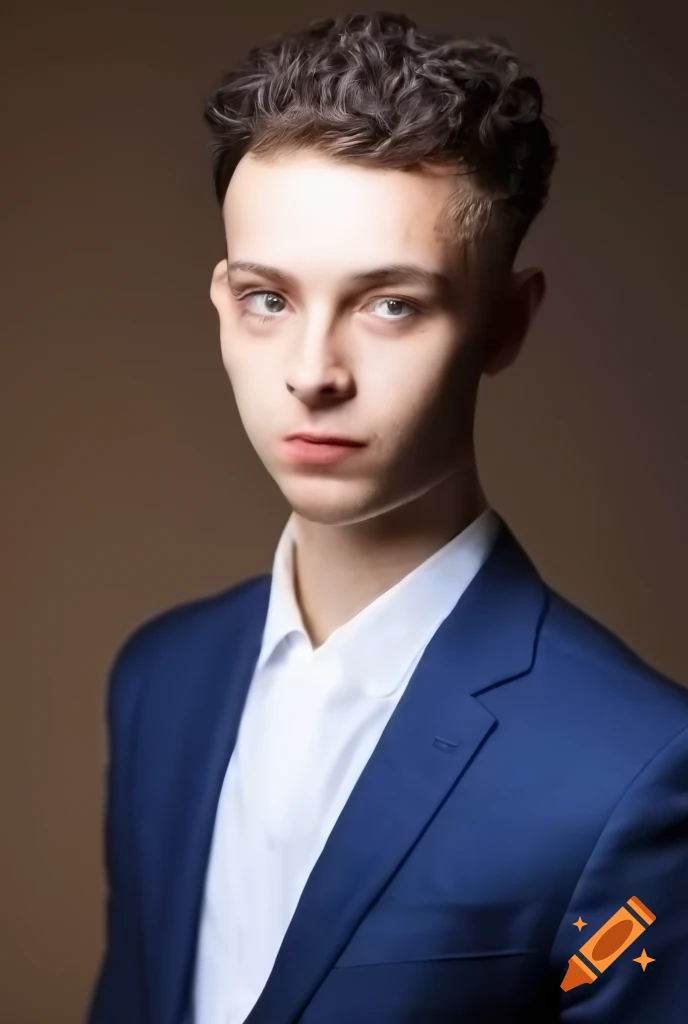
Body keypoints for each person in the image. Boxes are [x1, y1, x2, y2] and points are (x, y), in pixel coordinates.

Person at [87, 12, 688, 1023]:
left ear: (505, 322)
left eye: (389, 304)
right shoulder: (159, 677)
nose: (313, 373)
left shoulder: (638, 766)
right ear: (221, 307)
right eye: (268, 298)